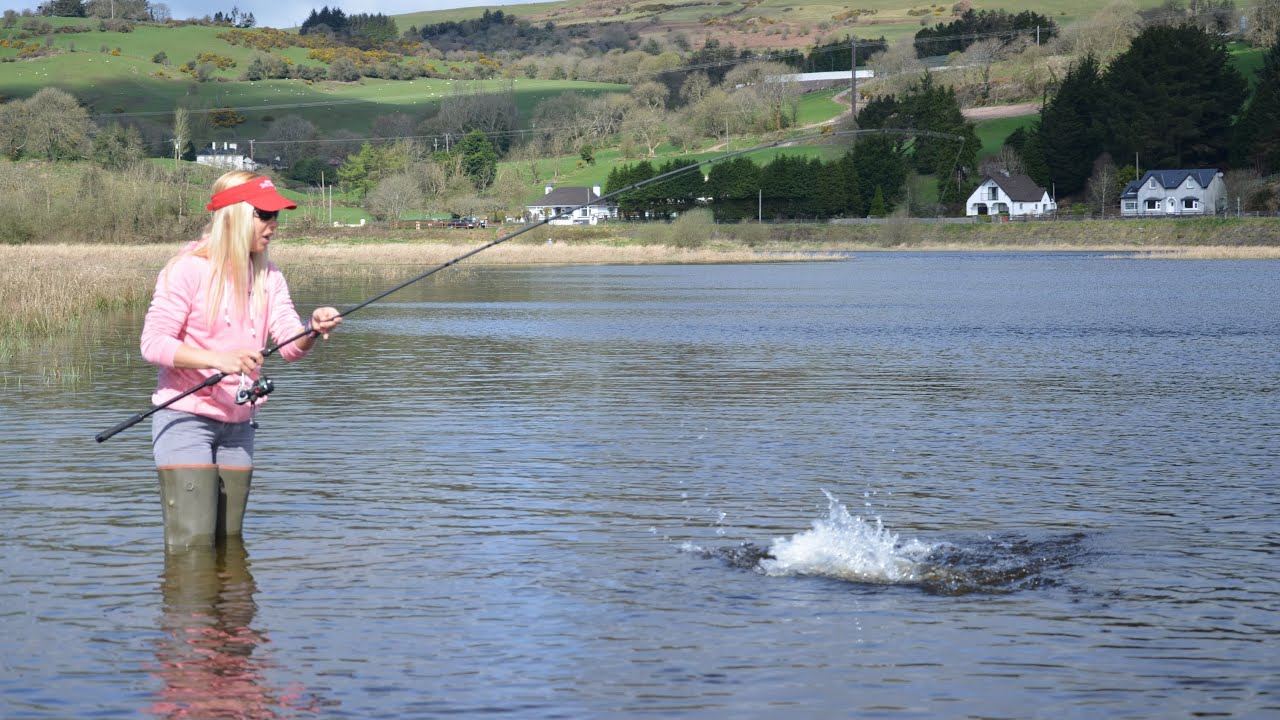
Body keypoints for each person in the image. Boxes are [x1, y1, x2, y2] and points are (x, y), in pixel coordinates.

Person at [140, 170, 341, 548]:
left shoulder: (269, 275)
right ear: (232, 216)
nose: (273, 224)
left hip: (239, 425)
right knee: (193, 546)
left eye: (275, 215)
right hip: (184, 420)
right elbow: (152, 344)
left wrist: (312, 328)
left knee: (230, 544)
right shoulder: (186, 269)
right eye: (263, 214)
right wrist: (219, 359)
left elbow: (289, 346)